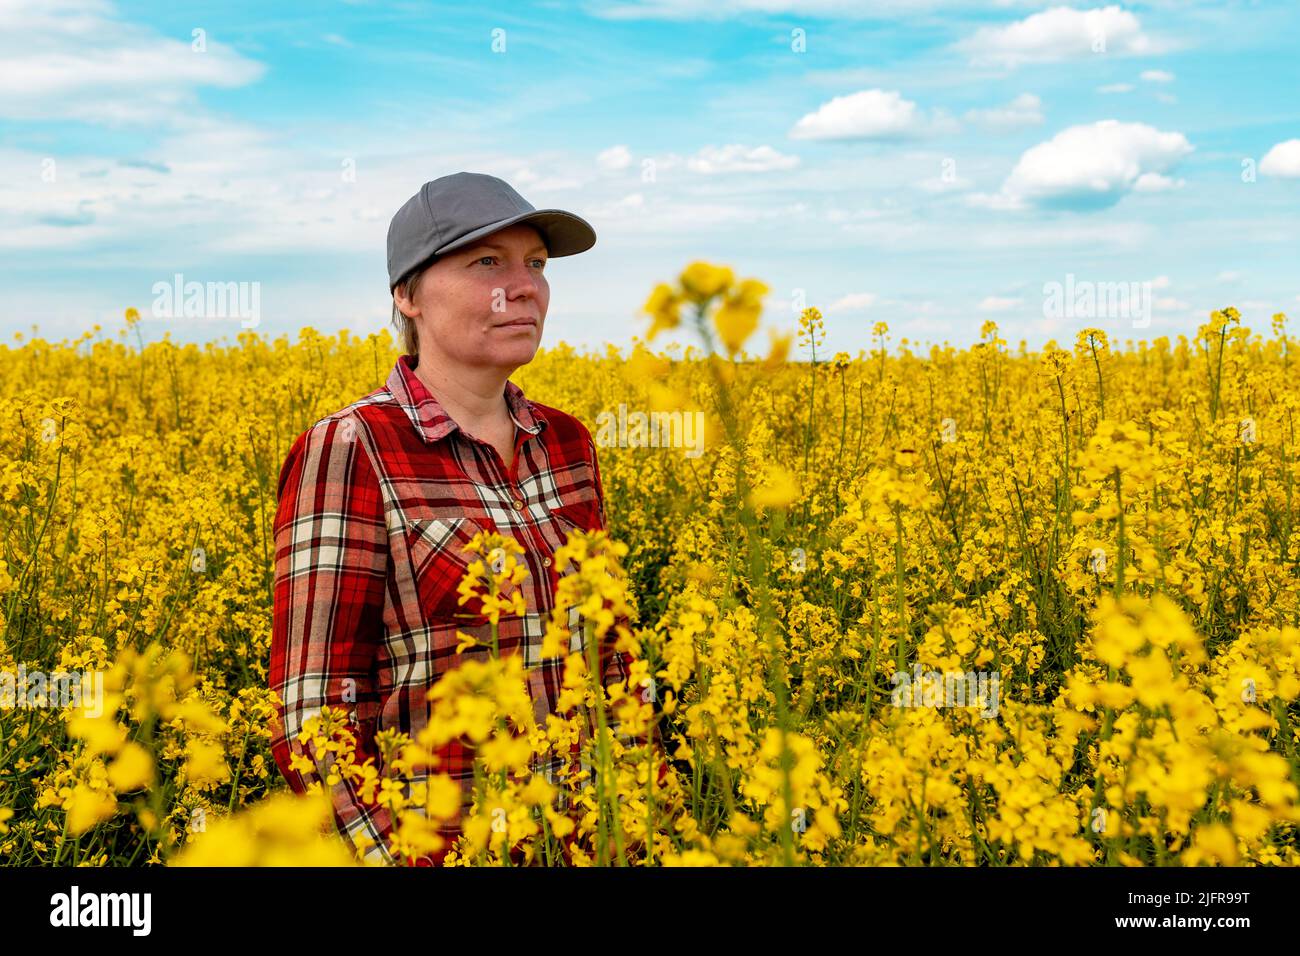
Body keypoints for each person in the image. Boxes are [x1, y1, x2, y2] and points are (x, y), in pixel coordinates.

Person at [268, 172, 664, 865]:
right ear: (407, 294)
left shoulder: (567, 444)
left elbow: (614, 663)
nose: (526, 286)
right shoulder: (352, 447)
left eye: (535, 264)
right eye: (487, 262)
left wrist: (644, 826)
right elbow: (311, 720)